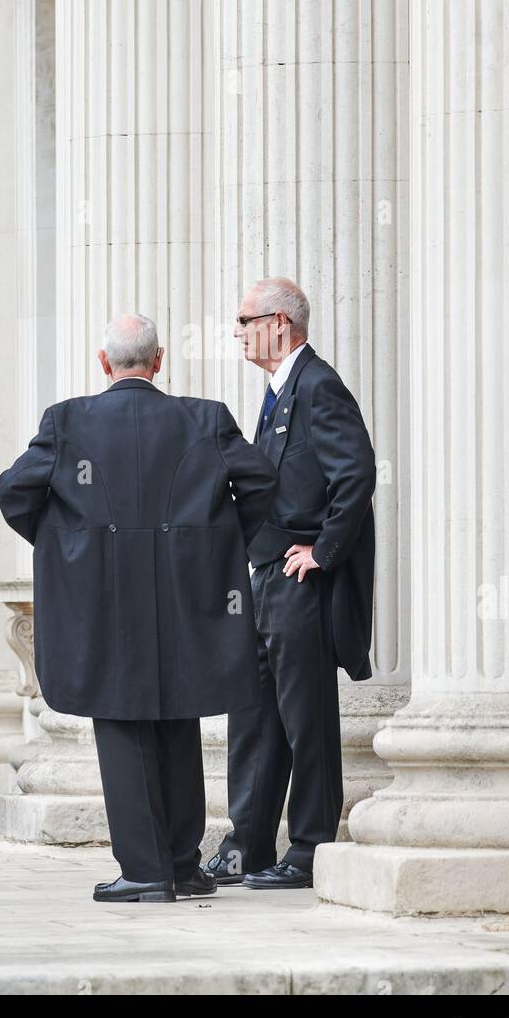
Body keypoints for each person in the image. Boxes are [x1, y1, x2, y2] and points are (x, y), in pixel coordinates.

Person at [0, 314, 278, 904]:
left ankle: (148, 871)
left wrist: (75, 548)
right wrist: (214, 547)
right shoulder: (206, 417)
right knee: (179, 719)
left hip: (104, 600)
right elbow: (259, 488)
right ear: (160, 359)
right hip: (187, 598)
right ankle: (182, 865)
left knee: (121, 722)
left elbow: (16, 492)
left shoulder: (67, 420)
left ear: (105, 363)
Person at [206, 278, 376, 889]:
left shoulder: (318, 385)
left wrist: (322, 552)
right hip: (267, 574)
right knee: (256, 714)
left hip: (300, 582)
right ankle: (247, 844)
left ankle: (307, 850)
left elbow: (356, 475)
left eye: (244, 319)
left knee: (306, 718)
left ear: (279, 322)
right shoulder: (282, 391)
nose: (236, 331)